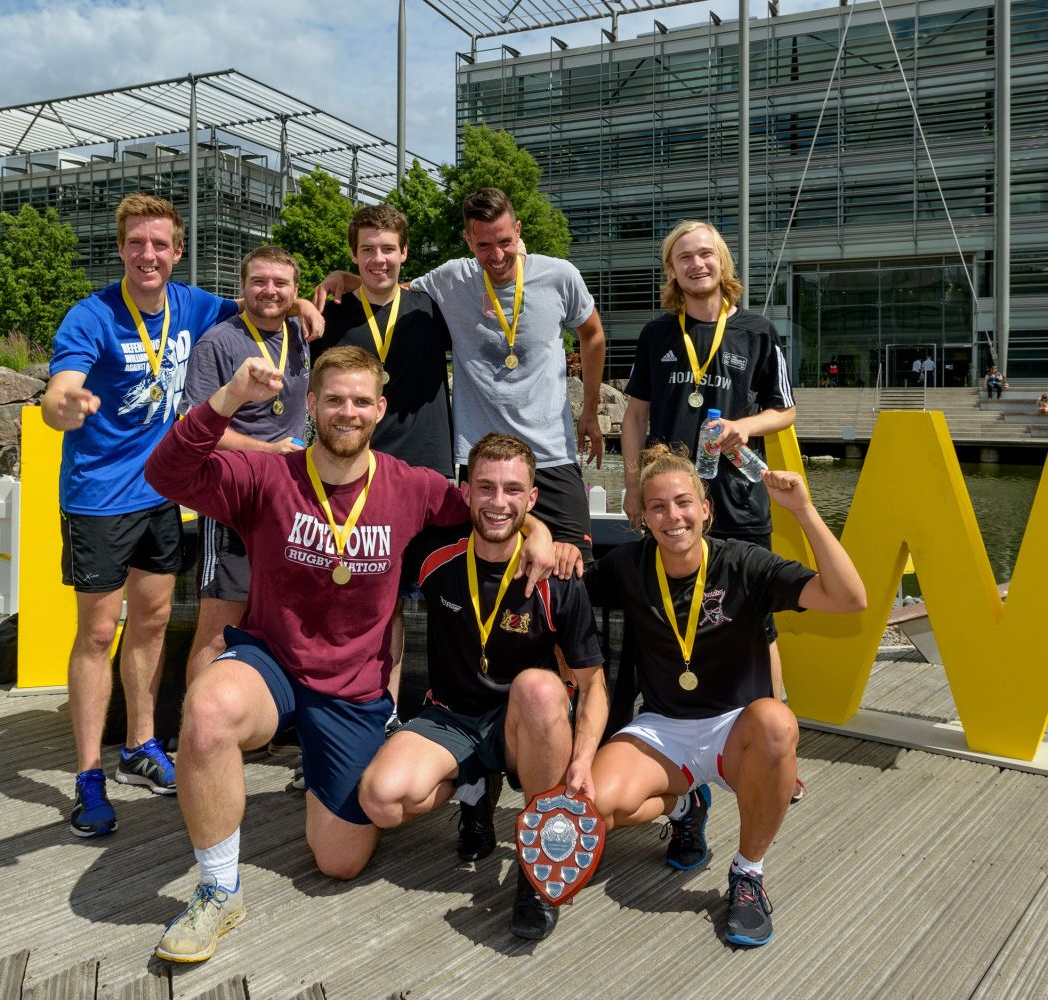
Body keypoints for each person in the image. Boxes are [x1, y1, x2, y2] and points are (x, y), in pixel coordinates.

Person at [143, 346, 557, 963]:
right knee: (207, 710)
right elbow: (166, 473)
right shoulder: (267, 476)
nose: (348, 412)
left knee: (339, 861)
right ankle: (218, 889)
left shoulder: (410, 485)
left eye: (361, 400)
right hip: (273, 663)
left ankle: (463, 775)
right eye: (334, 399)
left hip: (352, 690)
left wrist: (538, 530)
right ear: (311, 405)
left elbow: (490, 506)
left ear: (380, 409)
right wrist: (228, 398)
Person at [586, 444, 866, 948]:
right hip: (664, 729)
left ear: (705, 508)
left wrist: (803, 510)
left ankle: (748, 873)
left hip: (737, 729)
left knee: (777, 723)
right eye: (657, 507)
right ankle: (684, 807)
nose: (673, 517)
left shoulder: (743, 562)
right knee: (594, 808)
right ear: (643, 517)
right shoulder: (627, 565)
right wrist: (545, 541)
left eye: (683, 502)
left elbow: (849, 598)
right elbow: (563, 592)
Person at [41, 193, 241, 838]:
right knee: (98, 633)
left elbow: (260, 304)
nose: (147, 254)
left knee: (152, 622)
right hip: (99, 500)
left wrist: (313, 299)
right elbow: (59, 391)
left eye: (159, 244)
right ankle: (88, 775)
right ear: (121, 248)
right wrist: (63, 405)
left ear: (177, 251)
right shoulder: (91, 315)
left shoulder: (192, 304)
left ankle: (140, 746)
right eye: (135, 243)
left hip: (161, 496)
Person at [359, 433, 606, 942]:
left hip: (520, 726)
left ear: (531, 498)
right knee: (380, 798)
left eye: (513, 490)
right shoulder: (433, 554)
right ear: (465, 491)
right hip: (450, 716)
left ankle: (536, 869)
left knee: (540, 688)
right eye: (486, 487)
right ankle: (475, 788)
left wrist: (583, 760)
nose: (498, 501)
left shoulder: (558, 576)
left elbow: (593, 684)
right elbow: (379, 598)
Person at [318, 186, 607, 566]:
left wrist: (589, 411)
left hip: (551, 454)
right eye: (484, 245)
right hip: (480, 456)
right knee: (486, 575)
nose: (497, 255)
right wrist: (344, 277)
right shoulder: (451, 279)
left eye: (505, 241)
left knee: (576, 568)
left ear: (518, 230)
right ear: (468, 240)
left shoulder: (559, 275)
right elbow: (389, 287)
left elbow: (593, 334)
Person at [618, 219, 800, 796]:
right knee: (670, 614)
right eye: (684, 258)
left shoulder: (757, 331)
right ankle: (672, 734)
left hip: (738, 501)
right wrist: (631, 484)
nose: (697, 264)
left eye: (705, 254)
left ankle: (777, 750)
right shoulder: (656, 334)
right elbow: (635, 416)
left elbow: (786, 410)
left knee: (758, 621)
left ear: (722, 261)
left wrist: (744, 426)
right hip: (671, 505)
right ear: (672, 272)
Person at [312, 203, 455, 736]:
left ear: (405, 253)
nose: (379, 259)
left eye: (388, 249)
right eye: (367, 250)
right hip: (357, 473)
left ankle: (447, 715)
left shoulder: (431, 308)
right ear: (353, 255)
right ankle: (377, 714)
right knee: (373, 604)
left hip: (428, 473)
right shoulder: (332, 314)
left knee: (444, 597)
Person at [179, 246, 311, 686]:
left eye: (280, 283)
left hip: (290, 501)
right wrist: (268, 451)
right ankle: (195, 719)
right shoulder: (218, 342)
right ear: (243, 286)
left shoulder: (301, 333)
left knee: (284, 624)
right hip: (233, 499)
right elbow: (198, 428)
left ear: (295, 290)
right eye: (259, 281)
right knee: (219, 628)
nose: (269, 290)